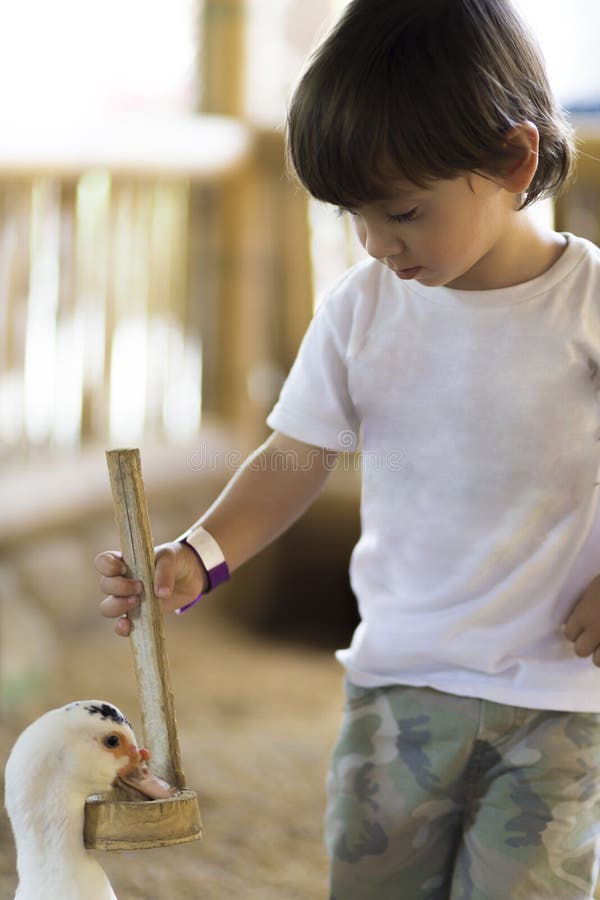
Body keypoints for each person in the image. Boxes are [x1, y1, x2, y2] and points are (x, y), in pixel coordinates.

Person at [96, 0, 600, 896]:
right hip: (398, 690)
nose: (374, 243)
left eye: (402, 211)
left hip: (560, 702)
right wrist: (202, 554)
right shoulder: (363, 309)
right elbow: (295, 457)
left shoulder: (587, 303)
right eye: (352, 215)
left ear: (514, 159)